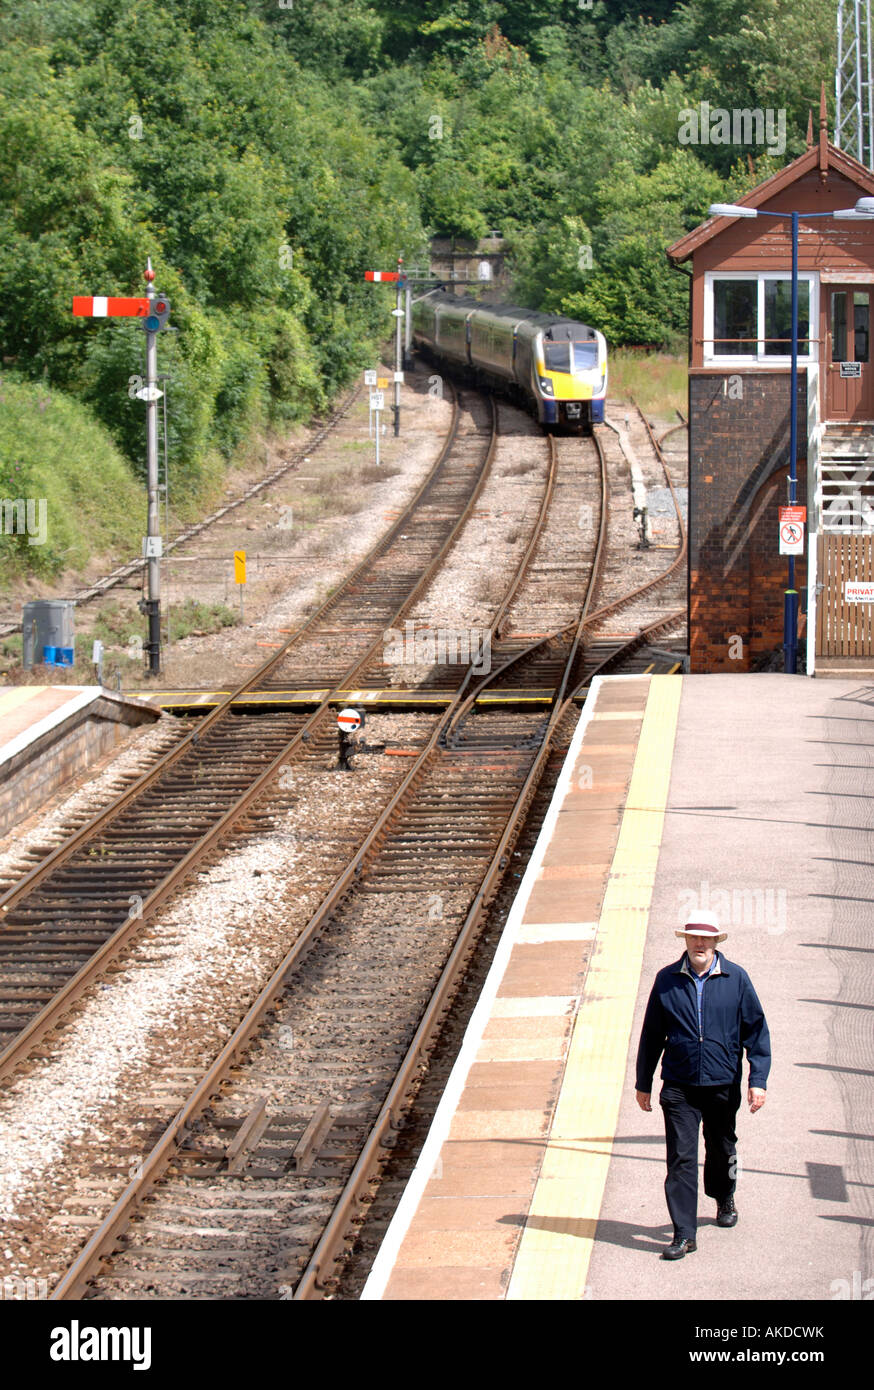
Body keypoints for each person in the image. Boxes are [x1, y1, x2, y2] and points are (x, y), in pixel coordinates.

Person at [635, 909, 770, 1260]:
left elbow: (756, 1031)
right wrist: (643, 1082)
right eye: (693, 937)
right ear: (685, 940)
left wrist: (758, 1080)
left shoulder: (736, 979)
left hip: (723, 1083)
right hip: (679, 1086)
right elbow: (651, 1035)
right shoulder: (666, 980)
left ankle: (724, 1194)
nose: (698, 943)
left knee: (723, 1146)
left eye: (705, 938)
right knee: (681, 1158)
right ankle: (684, 1232)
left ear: (715, 943)